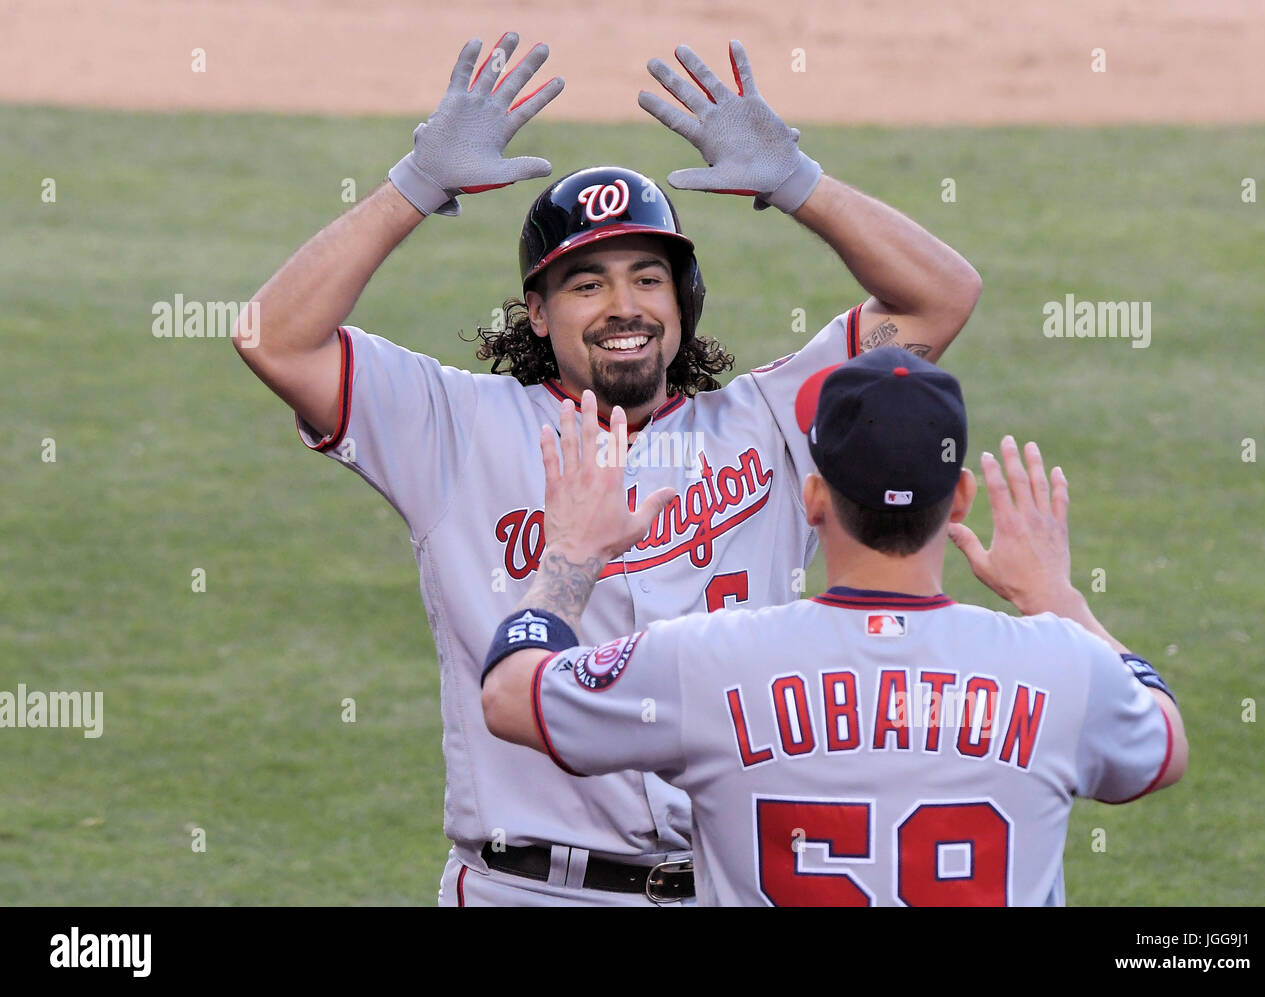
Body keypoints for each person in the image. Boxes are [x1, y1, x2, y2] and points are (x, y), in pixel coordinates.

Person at [232, 32, 981, 906]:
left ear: (683, 301)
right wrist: (416, 183)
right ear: (538, 315)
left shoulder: (774, 421)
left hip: (731, 884)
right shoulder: (455, 428)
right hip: (530, 888)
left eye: (647, 279)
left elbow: (940, 296)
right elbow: (272, 336)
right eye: (586, 284)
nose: (623, 306)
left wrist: (797, 182)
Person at [481, 348, 1188, 906]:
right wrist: (1057, 599)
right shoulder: (1060, 665)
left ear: (813, 497)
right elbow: (1164, 741)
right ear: (961, 497)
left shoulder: (708, 661)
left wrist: (570, 554)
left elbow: (512, 694)